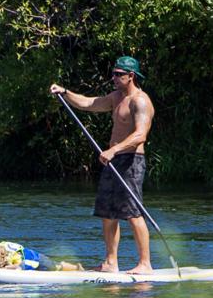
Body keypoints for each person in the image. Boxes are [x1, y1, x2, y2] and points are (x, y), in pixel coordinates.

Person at [50, 56, 156, 274]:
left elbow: (140, 135)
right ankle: (110, 262)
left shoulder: (140, 101)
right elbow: (90, 103)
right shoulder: (116, 97)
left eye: (118, 74)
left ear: (131, 76)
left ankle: (145, 264)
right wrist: (65, 93)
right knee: (107, 213)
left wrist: (114, 150)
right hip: (113, 161)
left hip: (131, 161)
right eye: (114, 73)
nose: (114, 78)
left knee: (133, 213)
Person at [0, 241, 84, 272]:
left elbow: (31, 264)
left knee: (56, 267)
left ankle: (76, 268)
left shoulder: (15, 258)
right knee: (57, 266)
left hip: (39, 260)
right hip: (34, 255)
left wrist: (15, 268)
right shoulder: (1, 246)